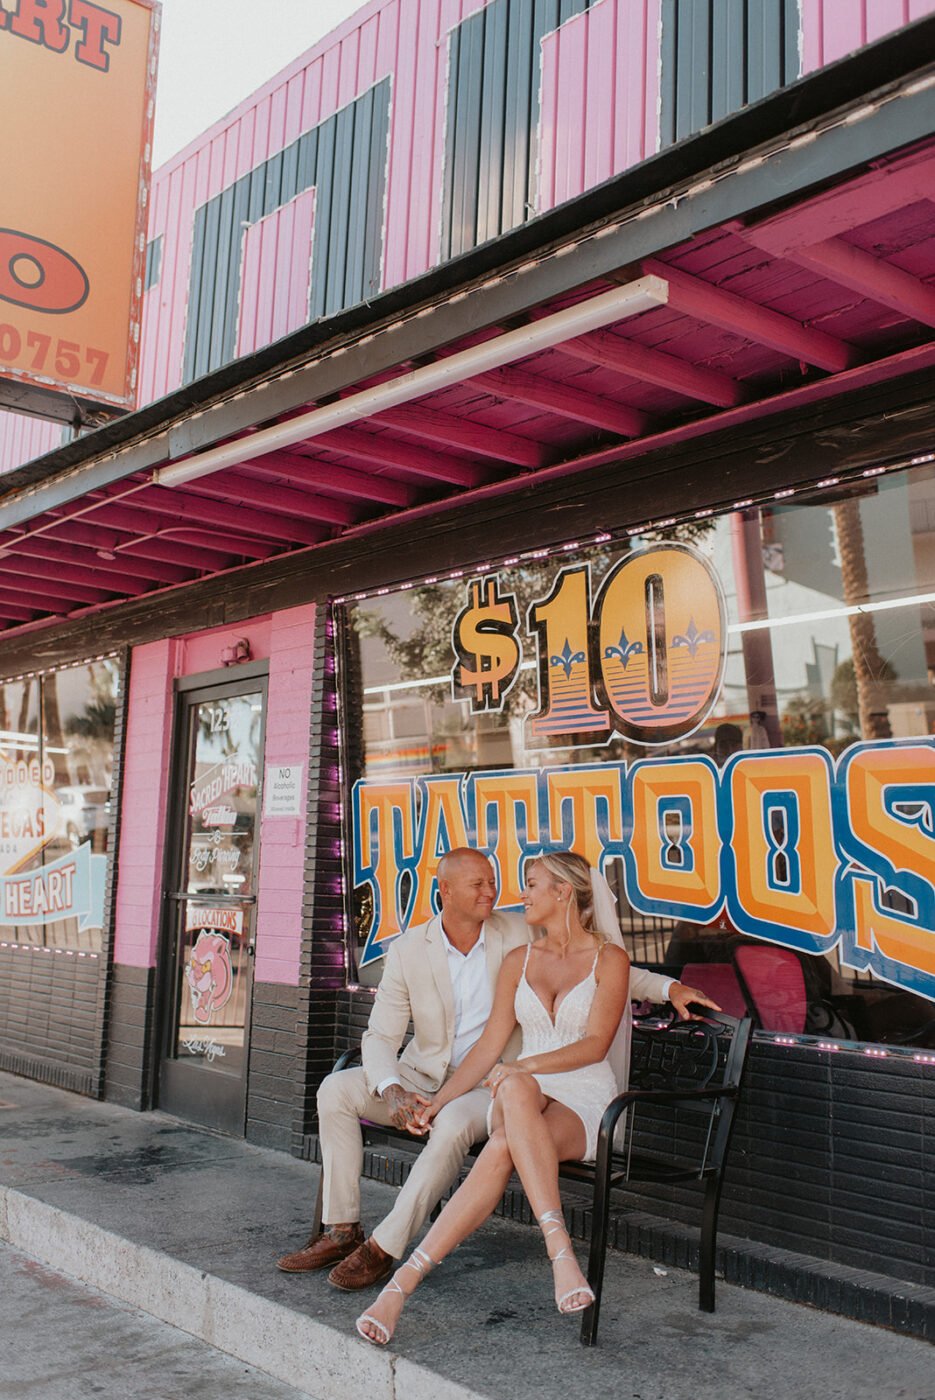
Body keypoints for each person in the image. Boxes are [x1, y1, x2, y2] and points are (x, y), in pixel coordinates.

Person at [277, 847, 719, 1291]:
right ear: (445, 891)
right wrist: (392, 1090)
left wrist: (670, 985)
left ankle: (384, 1248)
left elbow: (598, 962)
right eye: (479, 884)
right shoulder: (410, 949)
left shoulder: (516, 932)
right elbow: (379, 1038)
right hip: (424, 1074)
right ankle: (340, 1229)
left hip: (496, 1082)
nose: (494, 892)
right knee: (334, 1090)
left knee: (450, 1124)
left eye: (494, 881)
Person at [355, 850, 637, 1345]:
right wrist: (442, 1101)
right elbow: (490, 1045)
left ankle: (403, 1287)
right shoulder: (518, 960)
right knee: (514, 1098)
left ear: (562, 893)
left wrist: (521, 1066)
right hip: (527, 1094)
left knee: (509, 1118)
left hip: (585, 1098)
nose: (519, 894)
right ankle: (557, 1254)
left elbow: (594, 1044)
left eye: (531, 884)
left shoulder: (609, 959)